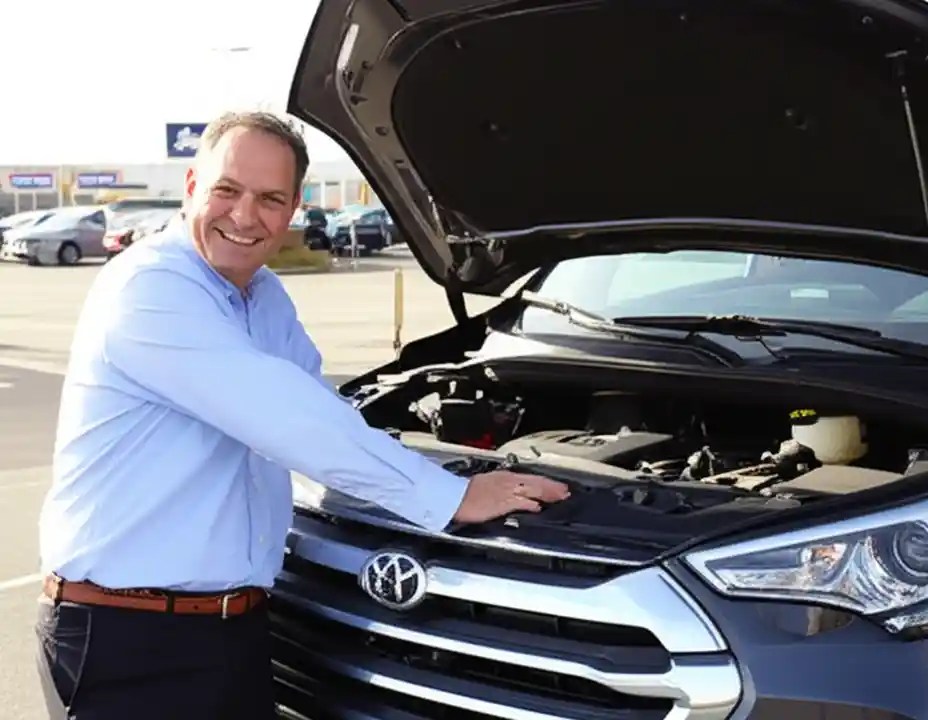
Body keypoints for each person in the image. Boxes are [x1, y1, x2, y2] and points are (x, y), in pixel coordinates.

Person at [34, 111, 570, 719]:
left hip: (237, 631)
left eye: (270, 199)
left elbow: (322, 408)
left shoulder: (263, 296)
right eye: (227, 190)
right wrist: (452, 495)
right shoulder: (150, 289)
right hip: (126, 640)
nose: (244, 216)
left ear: (292, 209)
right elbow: (287, 418)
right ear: (191, 186)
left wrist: (437, 456)